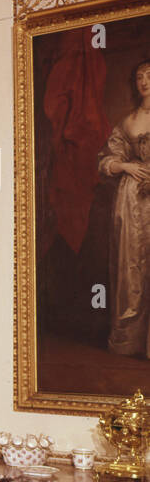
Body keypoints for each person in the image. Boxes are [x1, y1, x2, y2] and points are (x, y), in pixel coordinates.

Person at [99, 58, 150, 356]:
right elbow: (106, 159)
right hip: (131, 202)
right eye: (139, 76)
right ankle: (131, 341)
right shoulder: (127, 122)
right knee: (132, 265)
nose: (144, 81)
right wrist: (127, 166)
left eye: (149, 75)